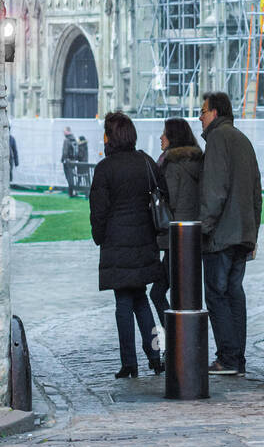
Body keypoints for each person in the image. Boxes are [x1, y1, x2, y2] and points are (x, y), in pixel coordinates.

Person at [89, 111, 166, 378]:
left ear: (111, 138)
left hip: (116, 243)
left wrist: (99, 236)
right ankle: (155, 355)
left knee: (123, 303)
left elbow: (99, 211)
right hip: (144, 240)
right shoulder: (145, 161)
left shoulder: (105, 169)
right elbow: (162, 193)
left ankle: (129, 362)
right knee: (141, 300)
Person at [199, 91, 262, 376]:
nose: (199, 117)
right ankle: (237, 357)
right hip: (243, 233)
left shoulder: (217, 139)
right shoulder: (243, 140)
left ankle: (228, 357)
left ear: (215, 112)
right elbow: (256, 192)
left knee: (216, 294)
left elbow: (214, 191)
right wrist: (253, 233)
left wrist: (204, 228)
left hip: (222, 234)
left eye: (203, 111)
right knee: (235, 294)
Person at [149, 117, 203, 323]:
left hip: (175, 237)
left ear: (174, 137)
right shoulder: (197, 162)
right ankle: (179, 339)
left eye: (165, 133)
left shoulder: (171, 165)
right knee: (183, 295)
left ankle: (176, 339)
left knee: (158, 293)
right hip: (191, 236)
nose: (161, 137)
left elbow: (167, 200)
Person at [61, 126, 78, 197]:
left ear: (68, 131)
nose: (63, 133)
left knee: (69, 177)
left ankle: (71, 193)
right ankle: (74, 192)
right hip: (73, 161)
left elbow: (65, 152)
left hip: (67, 161)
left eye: (64, 131)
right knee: (72, 177)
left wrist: (63, 159)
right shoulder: (74, 139)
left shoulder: (66, 140)